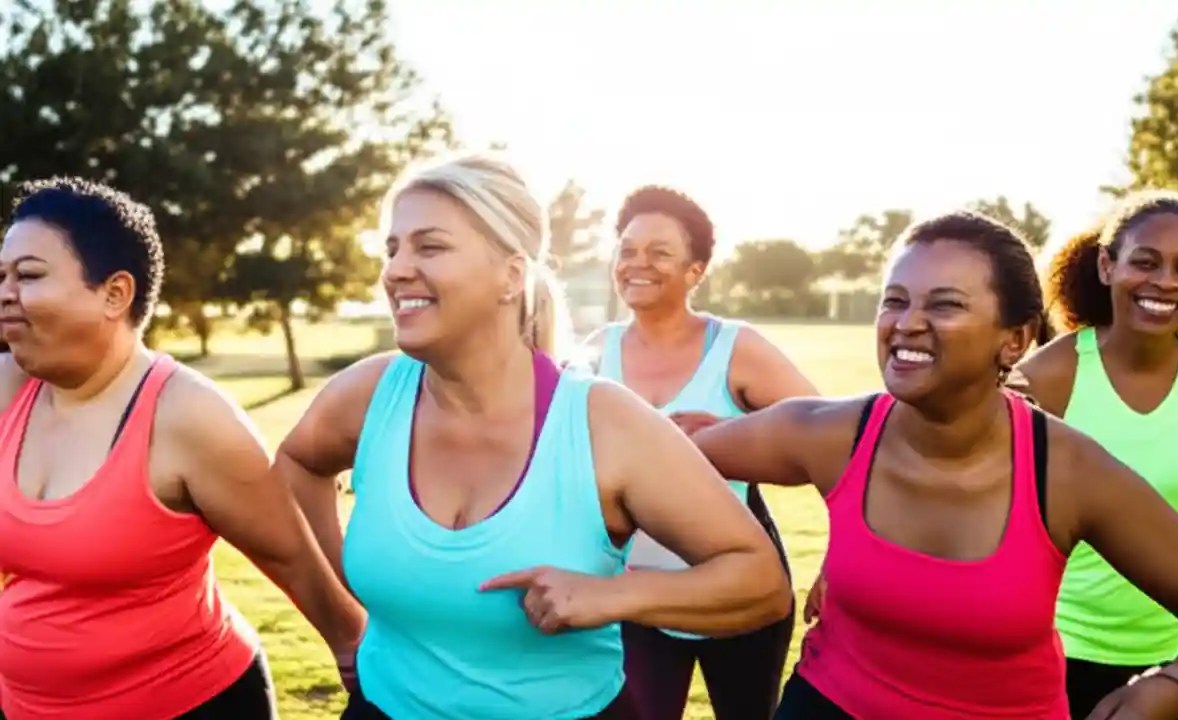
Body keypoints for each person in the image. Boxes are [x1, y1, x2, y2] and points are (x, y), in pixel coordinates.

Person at [688, 210, 1178, 719]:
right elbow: (678, 452)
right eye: (895, 300)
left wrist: (1174, 685)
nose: (907, 323)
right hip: (827, 702)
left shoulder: (1065, 469)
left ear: (1014, 340)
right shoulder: (831, 433)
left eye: (945, 305)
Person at [273, 154, 793, 720]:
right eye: (392, 249)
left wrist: (610, 597)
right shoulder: (368, 395)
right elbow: (296, 465)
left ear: (512, 274)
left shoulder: (601, 423)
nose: (396, 270)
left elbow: (760, 581)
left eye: (430, 247)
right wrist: (340, 619)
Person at [0, 178, 365, 719]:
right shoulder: (10, 388)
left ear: (114, 294)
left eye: (28, 275)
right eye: (1, 275)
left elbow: (289, 555)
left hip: (190, 705)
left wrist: (358, 655)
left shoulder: (188, 416)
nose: (6, 290)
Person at [1009, 189, 1178, 720]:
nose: (1166, 282)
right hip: (1061, 655)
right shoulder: (1046, 380)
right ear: (1107, 266)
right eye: (1145, 262)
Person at [576, 185, 817, 720]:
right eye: (627, 249)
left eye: (660, 252)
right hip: (636, 593)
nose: (638, 264)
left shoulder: (736, 348)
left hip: (737, 590)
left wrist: (737, 442)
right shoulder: (594, 352)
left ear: (696, 270)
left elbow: (831, 444)